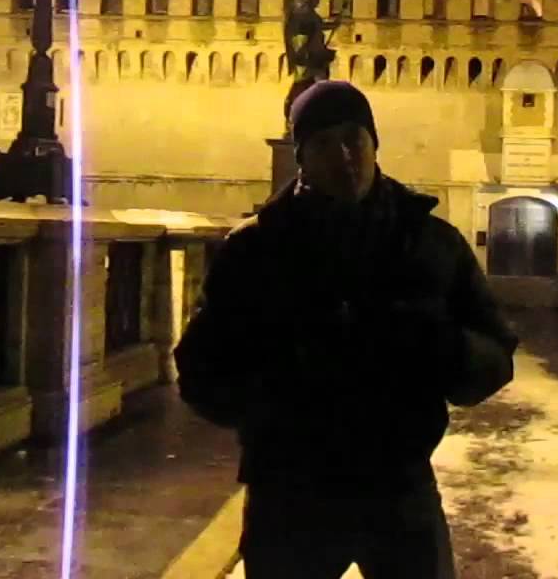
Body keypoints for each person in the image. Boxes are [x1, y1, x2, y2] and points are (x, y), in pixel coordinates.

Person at [175, 80, 519, 579]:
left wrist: (442, 349)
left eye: (354, 138)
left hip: (398, 490)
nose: (344, 156)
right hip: (291, 496)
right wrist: (272, 406)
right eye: (322, 143)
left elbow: (496, 351)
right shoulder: (254, 251)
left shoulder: (432, 243)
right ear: (300, 158)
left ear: (374, 144)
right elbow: (199, 368)